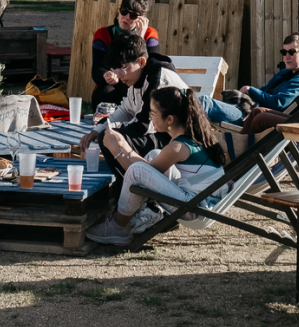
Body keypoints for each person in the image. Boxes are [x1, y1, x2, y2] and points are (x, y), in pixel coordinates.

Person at [86, 85, 228, 247]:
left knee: (137, 170)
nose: (150, 117)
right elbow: (148, 171)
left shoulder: (176, 148)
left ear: (169, 119)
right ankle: (142, 213)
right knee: (153, 156)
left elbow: (138, 173)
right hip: (203, 203)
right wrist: (124, 146)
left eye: (153, 113)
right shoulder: (192, 137)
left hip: (195, 212)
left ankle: (118, 226)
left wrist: (115, 150)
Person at [205, 30, 299, 126]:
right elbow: (264, 90)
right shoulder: (285, 73)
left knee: (205, 103)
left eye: (292, 52)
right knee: (197, 102)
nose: (286, 56)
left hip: (258, 119)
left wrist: (250, 90)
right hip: (249, 111)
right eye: (284, 52)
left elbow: (278, 103)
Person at [92, 49, 187, 150]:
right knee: (108, 136)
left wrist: (112, 129)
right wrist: (98, 130)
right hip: (158, 134)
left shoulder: (158, 79)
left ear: (141, 62)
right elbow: (125, 111)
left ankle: (136, 166)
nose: (119, 75)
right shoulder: (137, 79)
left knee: (112, 138)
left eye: (123, 67)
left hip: (178, 140)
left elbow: (146, 124)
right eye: (115, 69)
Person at [90, 0, 161, 101]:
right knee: (102, 92)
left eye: (133, 15)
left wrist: (139, 39)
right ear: (119, 11)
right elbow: (97, 69)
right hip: (114, 86)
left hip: (139, 85)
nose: (126, 17)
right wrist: (106, 75)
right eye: (124, 11)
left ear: (141, 19)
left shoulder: (149, 34)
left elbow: (152, 69)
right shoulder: (103, 34)